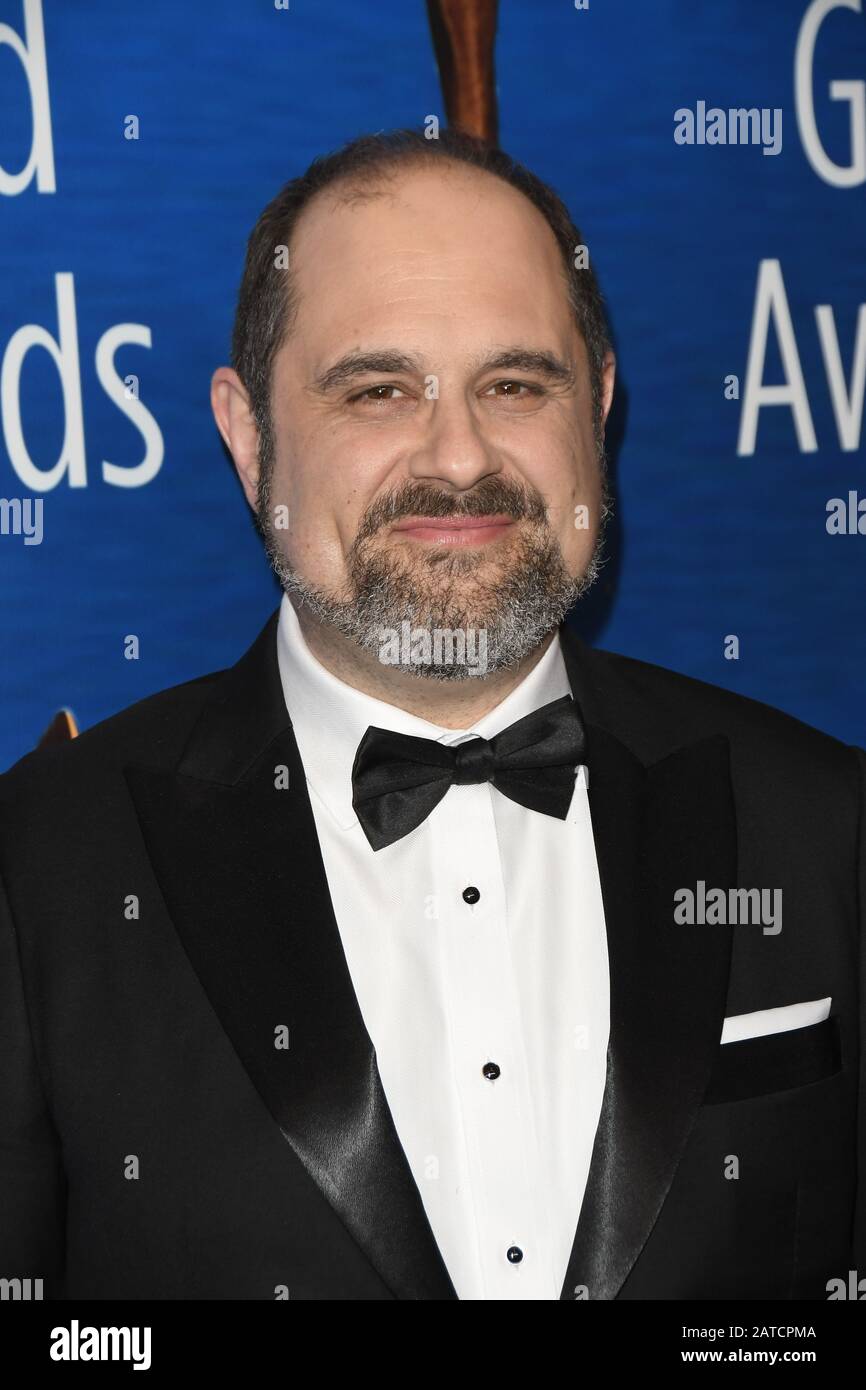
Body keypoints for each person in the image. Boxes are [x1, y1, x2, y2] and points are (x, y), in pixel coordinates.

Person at [0, 129, 862, 1301]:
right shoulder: (39, 866)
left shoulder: (822, 825)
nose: (458, 458)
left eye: (514, 385)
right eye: (377, 389)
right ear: (250, 439)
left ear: (597, 410)